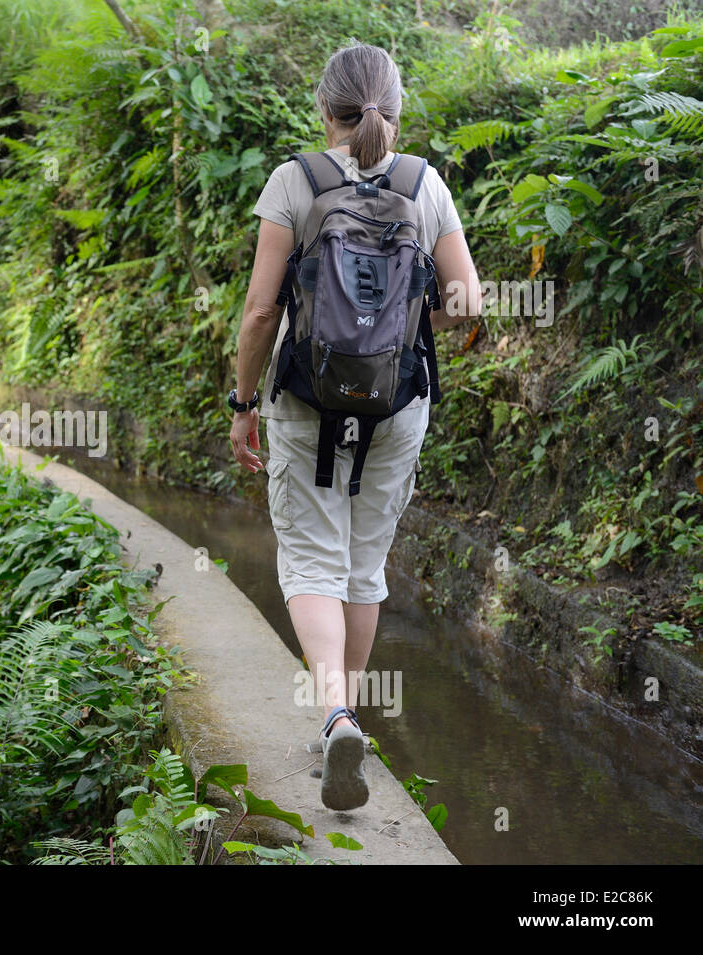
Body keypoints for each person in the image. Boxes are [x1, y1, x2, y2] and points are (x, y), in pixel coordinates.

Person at [229, 42, 482, 810]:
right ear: (394, 110)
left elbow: (261, 312)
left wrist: (243, 405)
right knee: (363, 565)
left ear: (322, 109)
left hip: (306, 402)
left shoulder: (293, 181)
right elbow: (467, 300)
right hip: (397, 401)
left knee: (310, 558)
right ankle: (350, 719)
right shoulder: (422, 182)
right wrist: (409, 308)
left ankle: (333, 711)